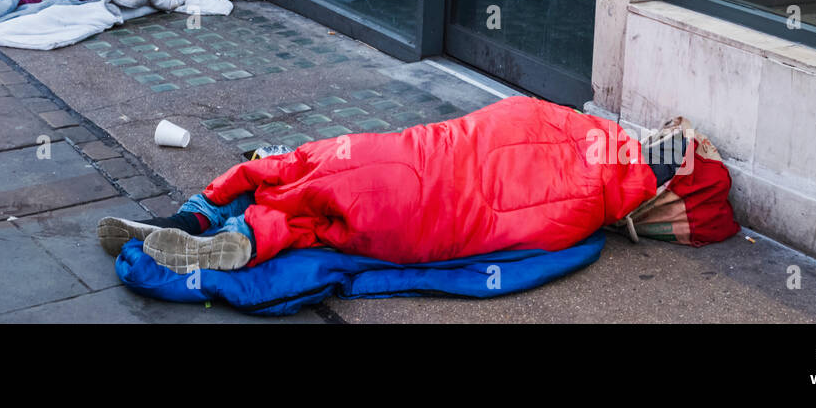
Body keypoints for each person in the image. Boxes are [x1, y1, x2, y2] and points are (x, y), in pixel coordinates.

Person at [98, 96, 687, 274]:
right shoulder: (587, 212)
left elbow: (479, 127)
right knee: (316, 227)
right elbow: (516, 232)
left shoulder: (551, 116)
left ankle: (198, 215)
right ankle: (252, 238)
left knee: (282, 170)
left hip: (392, 156)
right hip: (417, 225)